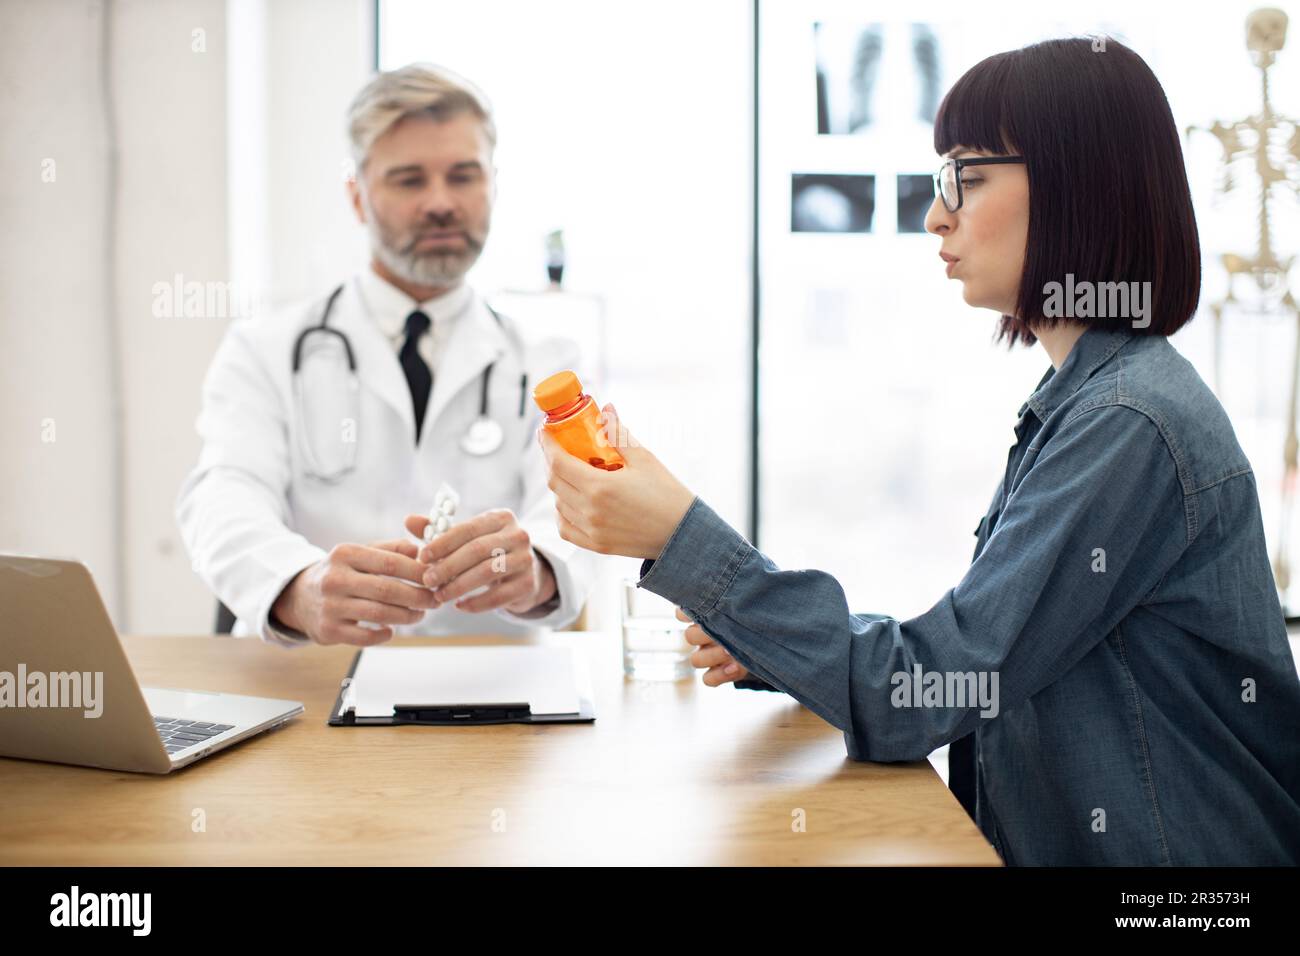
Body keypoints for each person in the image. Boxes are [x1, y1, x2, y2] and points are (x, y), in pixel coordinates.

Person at [537, 38, 1300, 865]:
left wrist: (680, 539)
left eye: (964, 180)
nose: (936, 214)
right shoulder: (1095, 404)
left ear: (1079, 183)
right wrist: (770, 641)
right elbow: (966, 662)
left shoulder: (1129, 423)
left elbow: (920, 694)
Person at [177, 63, 591, 647]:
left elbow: (582, 509)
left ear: (492, 185)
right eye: (409, 180)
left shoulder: (548, 363)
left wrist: (539, 569)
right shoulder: (264, 351)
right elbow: (221, 497)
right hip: (311, 686)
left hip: (496, 693)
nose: (441, 203)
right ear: (357, 197)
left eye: (463, 176)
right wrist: (298, 586)